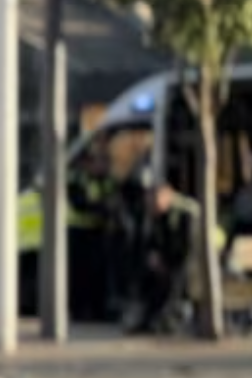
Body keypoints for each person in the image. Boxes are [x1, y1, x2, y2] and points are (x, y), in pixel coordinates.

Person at [132, 182, 201, 336]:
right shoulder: (161, 212)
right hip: (175, 256)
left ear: (165, 196)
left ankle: (167, 319)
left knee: (173, 279)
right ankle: (149, 320)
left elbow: (188, 246)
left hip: (197, 258)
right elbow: (155, 240)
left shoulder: (186, 211)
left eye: (153, 204)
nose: (150, 209)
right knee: (148, 276)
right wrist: (154, 256)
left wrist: (166, 262)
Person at [67, 138, 119, 321]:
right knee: (80, 277)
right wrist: (103, 208)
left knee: (99, 276)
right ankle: (79, 312)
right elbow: (80, 204)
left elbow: (115, 201)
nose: (102, 165)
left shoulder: (106, 180)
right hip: (79, 233)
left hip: (99, 234)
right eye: (98, 161)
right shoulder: (77, 181)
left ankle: (99, 311)